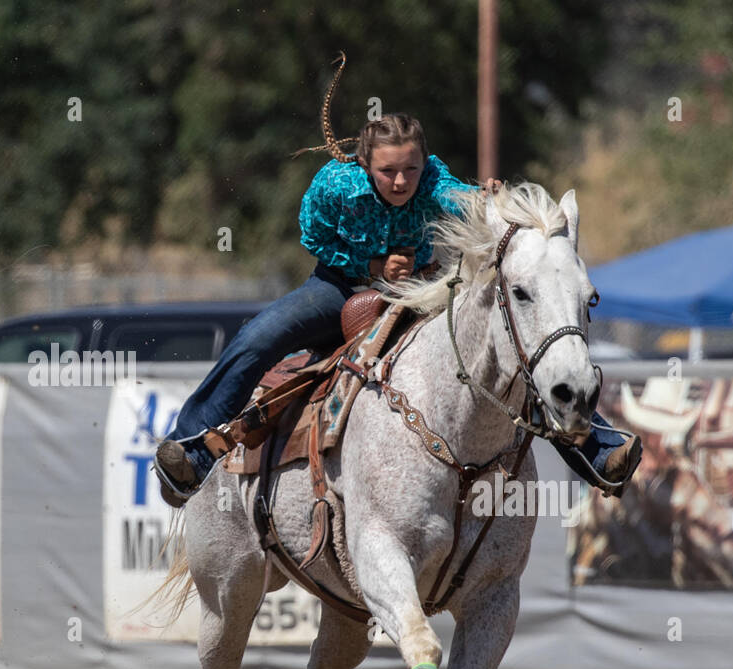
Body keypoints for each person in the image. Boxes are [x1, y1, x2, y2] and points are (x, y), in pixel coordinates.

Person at [153, 112, 639, 506]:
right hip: (339, 287)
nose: (402, 180)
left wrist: (491, 199)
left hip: (421, 288)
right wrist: (370, 264)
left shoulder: (432, 181)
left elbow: (457, 196)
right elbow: (313, 235)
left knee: (510, 349)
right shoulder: (333, 186)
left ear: (424, 161)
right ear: (365, 164)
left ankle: (597, 450)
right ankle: (192, 452)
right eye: (388, 171)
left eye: (411, 168)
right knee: (260, 336)